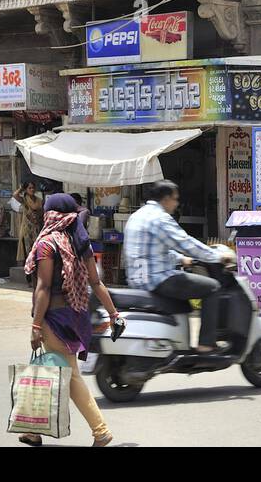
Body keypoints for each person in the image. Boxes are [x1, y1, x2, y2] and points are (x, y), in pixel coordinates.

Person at [21, 193, 120, 447]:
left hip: (53, 319)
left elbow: (42, 288)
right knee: (51, 370)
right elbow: (96, 283)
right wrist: (113, 314)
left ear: (51, 215)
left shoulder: (47, 244)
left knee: (67, 375)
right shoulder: (79, 243)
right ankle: (33, 430)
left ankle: (101, 431)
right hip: (75, 316)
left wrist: (35, 325)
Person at [124, 180, 227, 353]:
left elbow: (151, 252)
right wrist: (216, 256)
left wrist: (181, 259)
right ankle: (206, 344)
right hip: (157, 280)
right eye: (175, 199)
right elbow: (185, 243)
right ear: (165, 199)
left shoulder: (137, 216)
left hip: (137, 280)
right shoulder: (160, 218)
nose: (176, 204)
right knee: (212, 288)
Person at [13, 181, 44, 264]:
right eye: (29, 188)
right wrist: (21, 188)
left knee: (37, 246)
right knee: (28, 248)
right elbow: (15, 195)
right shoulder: (25, 199)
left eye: (33, 188)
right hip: (27, 228)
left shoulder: (39, 200)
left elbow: (42, 212)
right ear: (26, 189)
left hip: (37, 226)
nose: (32, 190)